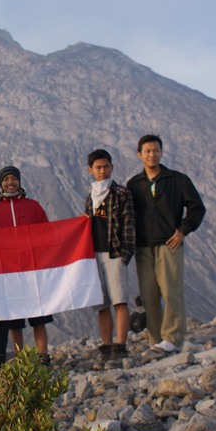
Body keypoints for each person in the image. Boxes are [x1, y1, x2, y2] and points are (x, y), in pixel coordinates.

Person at [126, 134, 206, 359]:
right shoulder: (134, 184)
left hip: (169, 244)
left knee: (171, 291)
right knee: (149, 295)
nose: (152, 155)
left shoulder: (178, 180)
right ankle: (156, 341)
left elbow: (197, 208)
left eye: (156, 150)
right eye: (147, 151)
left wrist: (183, 231)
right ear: (139, 155)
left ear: (161, 153)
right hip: (143, 247)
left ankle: (172, 338)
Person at [0, 166, 52, 368]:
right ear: (1, 184)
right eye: (6, 179)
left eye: (14, 178)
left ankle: (43, 356)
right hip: (9, 274)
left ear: (20, 181)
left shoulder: (34, 207)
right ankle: (20, 358)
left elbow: (47, 232)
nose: (10, 183)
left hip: (33, 270)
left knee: (38, 316)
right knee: (15, 320)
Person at [84, 150, 135, 370]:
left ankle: (120, 345)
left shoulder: (122, 194)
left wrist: (125, 254)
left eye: (106, 166)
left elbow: (129, 224)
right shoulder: (91, 197)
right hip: (94, 255)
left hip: (114, 253)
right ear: (91, 170)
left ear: (112, 167)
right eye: (98, 167)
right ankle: (106, 346)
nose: (102, 171)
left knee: (119, 300)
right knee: (102, 303)